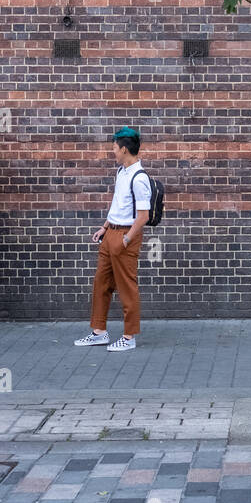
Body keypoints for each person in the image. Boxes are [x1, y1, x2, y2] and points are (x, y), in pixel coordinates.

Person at [76, 126, 150, 352]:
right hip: (111, 233)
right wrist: (104, 227)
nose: (113, 153)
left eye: (115, 149)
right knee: (101, 282)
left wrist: (127, 239)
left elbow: (144, 216)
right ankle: (99, 332)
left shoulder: (139, 178)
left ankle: (129, 337)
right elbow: (118, 204)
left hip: (126, 235)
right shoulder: (121, 172)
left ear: (125, 149)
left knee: (127, 287)